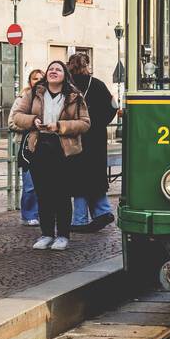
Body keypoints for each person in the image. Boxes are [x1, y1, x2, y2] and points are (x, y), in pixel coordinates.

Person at [10, 61, 90, 251]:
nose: (54, 72)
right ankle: (46, 234)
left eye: (58, 69)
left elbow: (85, 123)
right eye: (51, 69)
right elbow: (17, 117)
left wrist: (60, 126)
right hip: (39, 147)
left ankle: (62, 235)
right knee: (43, 193)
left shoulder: (74, 96)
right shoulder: (34, 93)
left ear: (64, 75)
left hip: (64, 149)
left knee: (62, 194)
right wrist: (33, 121)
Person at [68, 52, 117, 233]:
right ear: (87, 64)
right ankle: (102, 211)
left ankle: (80, 219)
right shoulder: (97, 84)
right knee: (94, 176)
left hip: (74, 135)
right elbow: (113, 107)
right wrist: (98, 122)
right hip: (95, 136)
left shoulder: (68, 86)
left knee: (78, 179)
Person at [18, 69, 43, 226]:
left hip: (45, 144)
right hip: (27, 145)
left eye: (41, 78)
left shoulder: (48, 97)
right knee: (30, 185)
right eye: (35, 79)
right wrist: (32, 121)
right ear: (30, 81)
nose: (39, 81)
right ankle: (28, 214)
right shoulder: (24, 97)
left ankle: (41, 213)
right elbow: (14, 120)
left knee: (43, 184)